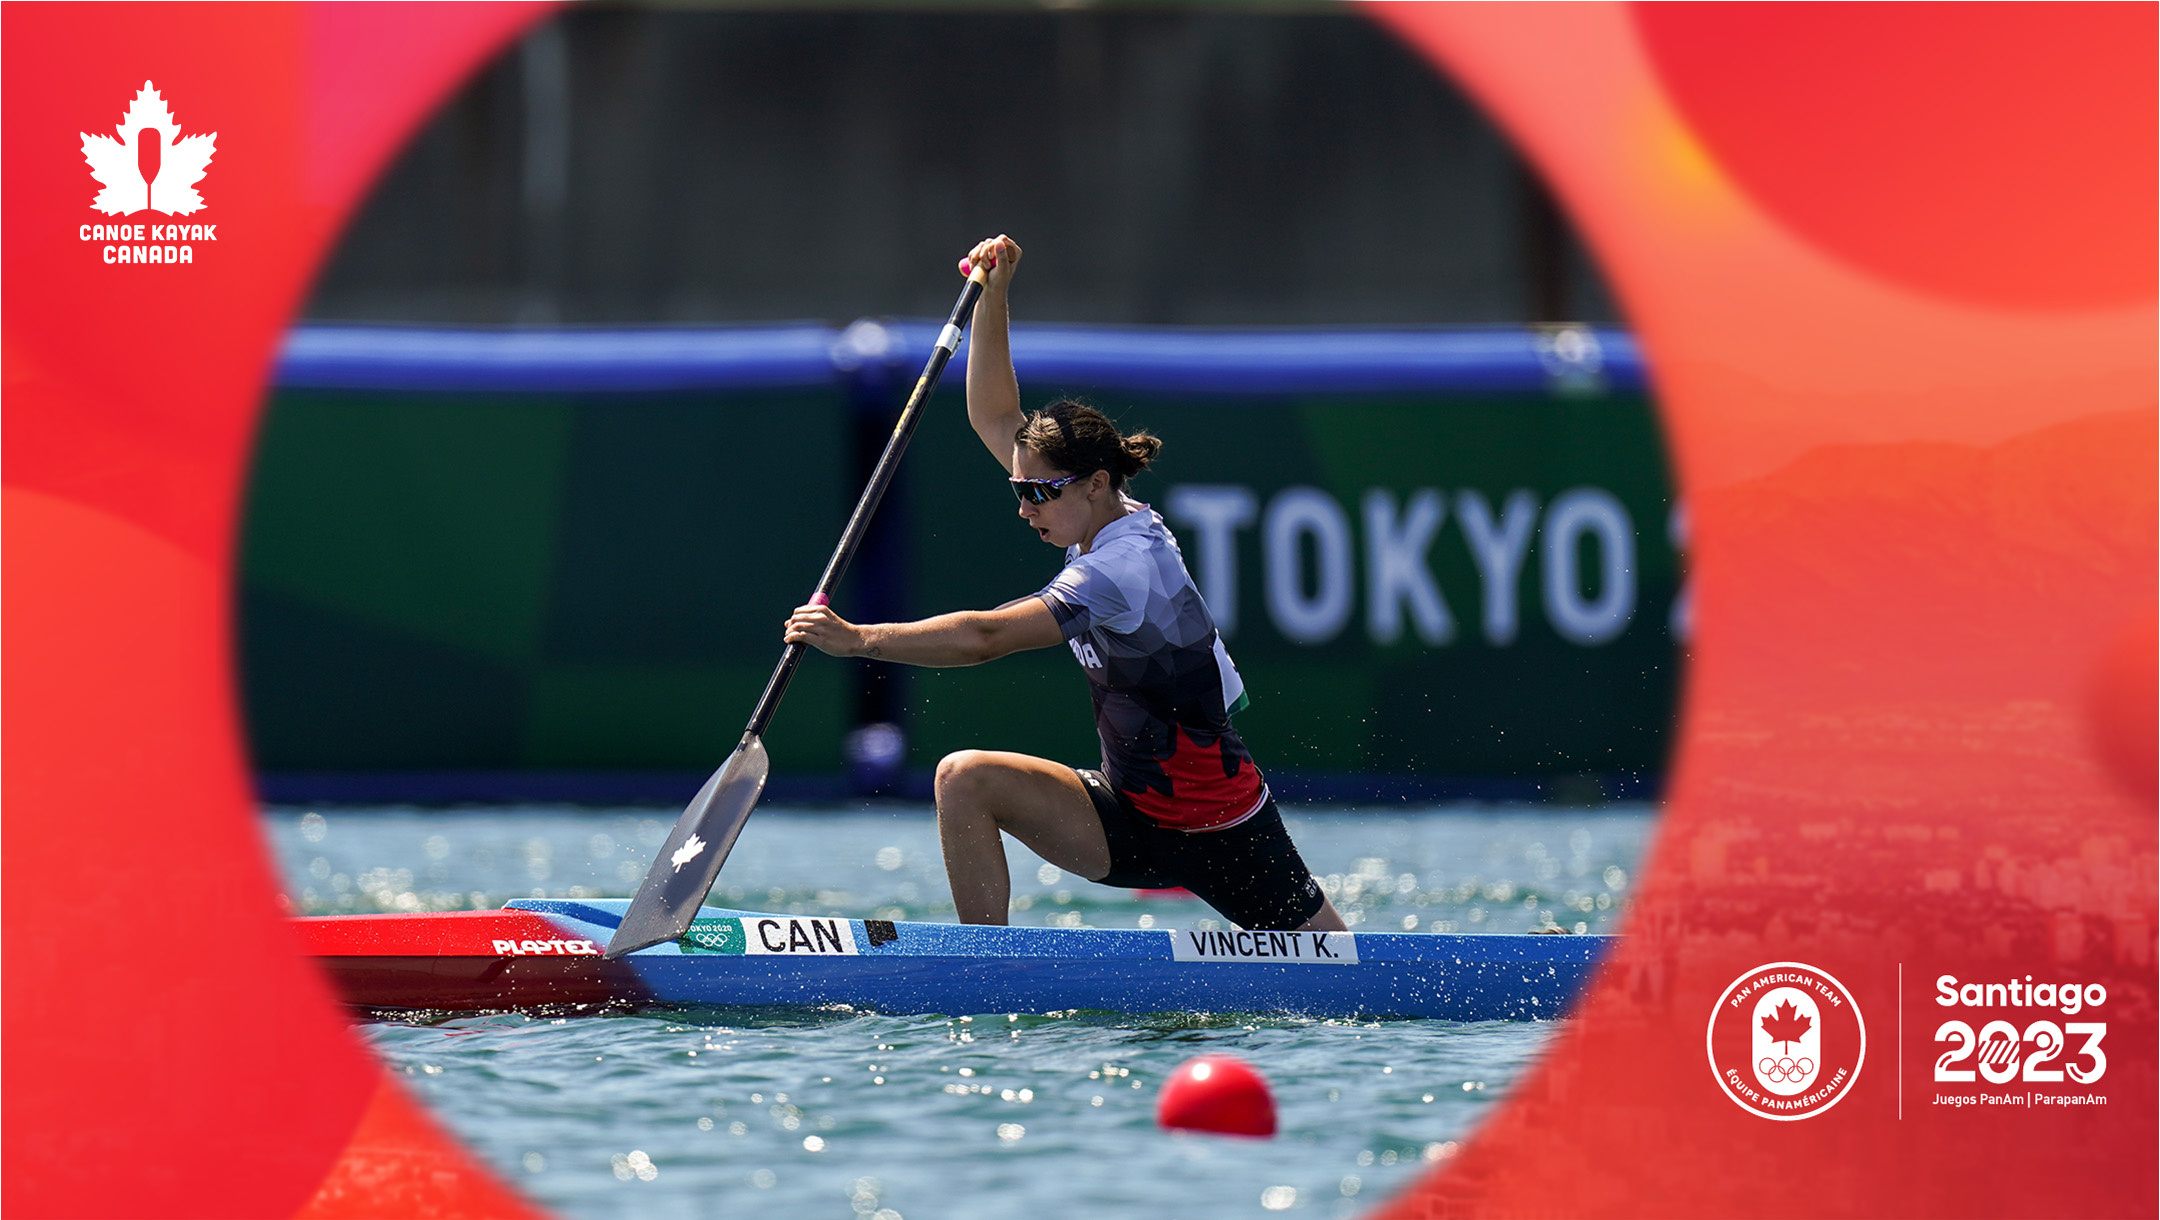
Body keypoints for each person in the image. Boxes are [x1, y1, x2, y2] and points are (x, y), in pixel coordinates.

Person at [784, 234, 1345, 933]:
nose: (1024, 508)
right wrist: (995, 297)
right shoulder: (1088, 515)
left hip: (1221, 825)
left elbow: (987, 636)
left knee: (1344, 970)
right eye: (1020, 489)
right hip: (1125, 812)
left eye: (1039, 493)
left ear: (1099, 483)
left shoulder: (1123, 566)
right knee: (964, 778)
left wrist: (858, 637)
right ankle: (986, 972)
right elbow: (994, 416)